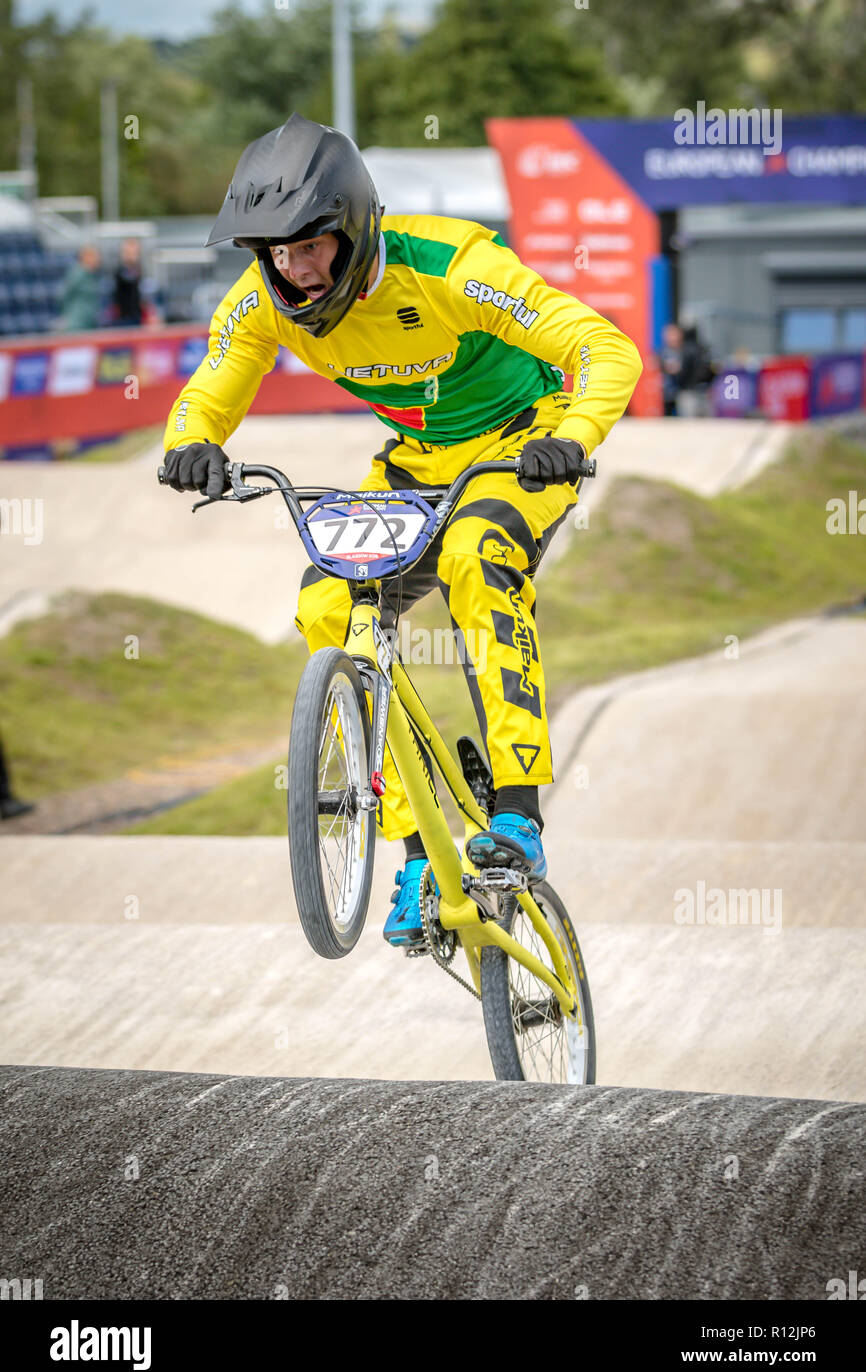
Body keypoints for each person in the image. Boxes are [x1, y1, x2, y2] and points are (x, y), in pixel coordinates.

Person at [161, 113, 642, 947]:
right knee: (324, 605)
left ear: (352, 226)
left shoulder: (451, 264)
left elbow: (605, 346)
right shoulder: (264, 302)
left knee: (475, 557)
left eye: (309, 247)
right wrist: (189, 444)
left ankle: (519, 813)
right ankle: (418, 849)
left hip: (520, 446)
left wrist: (576, 437)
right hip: (416, 464)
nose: (294, 271)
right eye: (274, 253)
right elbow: (212, 386)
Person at [58, 244, 102, 332]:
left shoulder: (92, 275)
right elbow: (63, 295)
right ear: (86, 256)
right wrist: (68, 316)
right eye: (95, 256)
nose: (98, 259)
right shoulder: (77, 274)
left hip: (88, 323)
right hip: (76, 325)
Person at [111, 238, 144, 327]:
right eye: (129, 253)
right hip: (123, 318)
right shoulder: (120, 271)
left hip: (136, 315)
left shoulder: (138, 269)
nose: (132, 256)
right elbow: (129, 278)